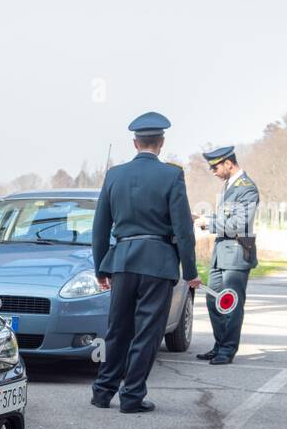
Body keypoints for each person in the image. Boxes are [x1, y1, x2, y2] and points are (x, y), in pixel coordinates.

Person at [90, 112, 200, 413]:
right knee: (147, 333)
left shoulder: (114, 175)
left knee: (117, 330)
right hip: (159, 264)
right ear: (161, 143)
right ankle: (132, 396)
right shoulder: (172, 176)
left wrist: (100, 266)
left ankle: (102, 392)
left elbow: (100, 227)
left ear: (134, 142)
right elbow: (183, 230)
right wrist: (190, 272)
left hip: (122, 261)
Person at [197, 146, 259, 365]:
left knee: (230, 303)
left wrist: (209, 222)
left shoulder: (247, 188)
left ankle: (228, 349)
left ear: (228, 164)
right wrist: (205, 218)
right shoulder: (229, 186)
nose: (213, 171)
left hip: (236, 253)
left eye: (215, 167)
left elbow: (239, 224)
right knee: (213, 300)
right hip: (221, 252)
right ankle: (220, 344)